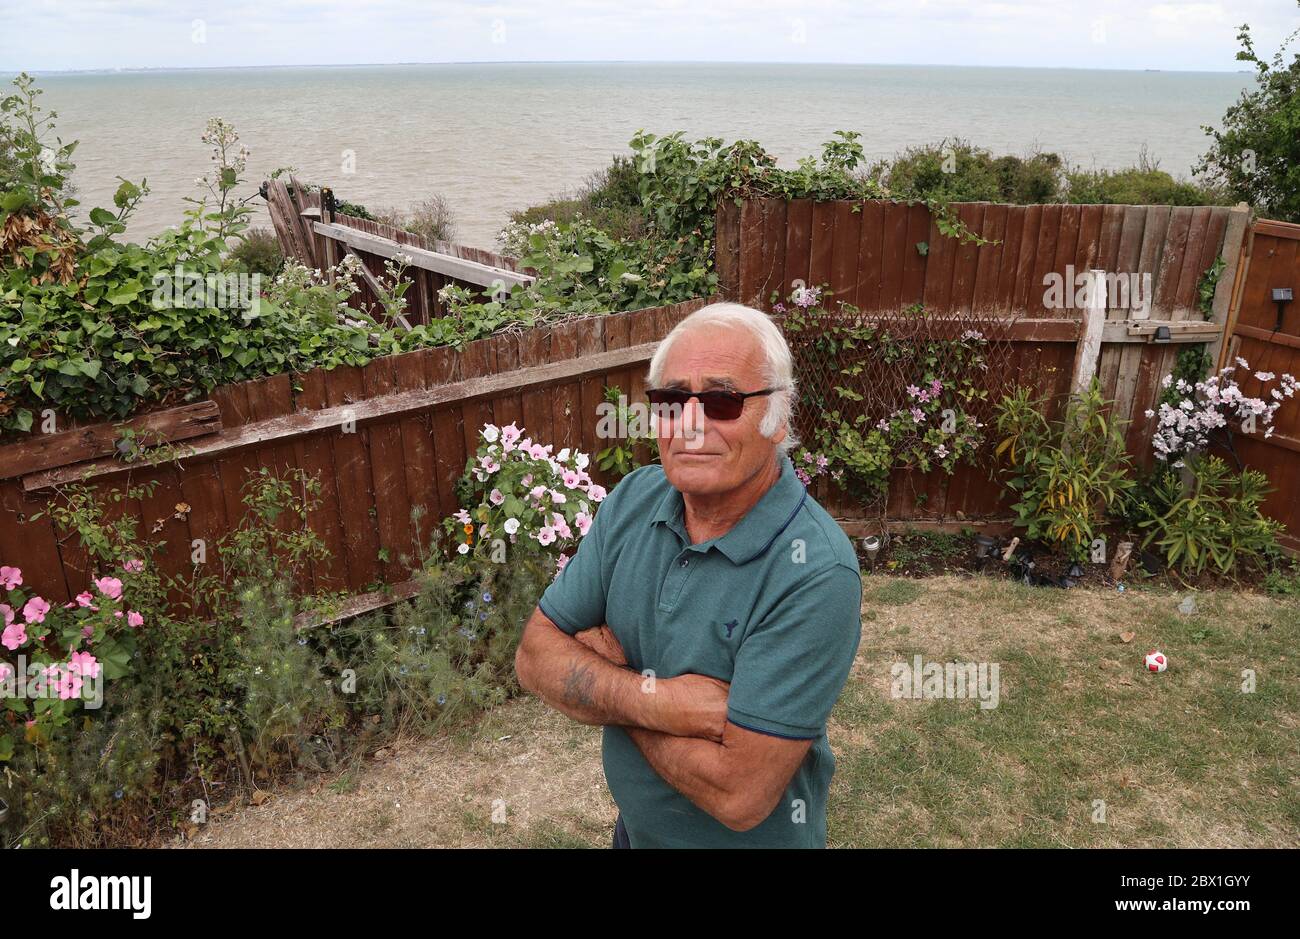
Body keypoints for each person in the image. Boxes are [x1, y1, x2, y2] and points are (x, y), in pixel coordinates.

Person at [514, 302, 862, 848]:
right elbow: (534, 657)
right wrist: (665, 702)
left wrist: (610, 682)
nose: (691, 424)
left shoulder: (815, 571)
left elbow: (739, 796)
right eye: (672, 400)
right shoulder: (634, 499)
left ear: (780, 417)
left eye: (723, 400)